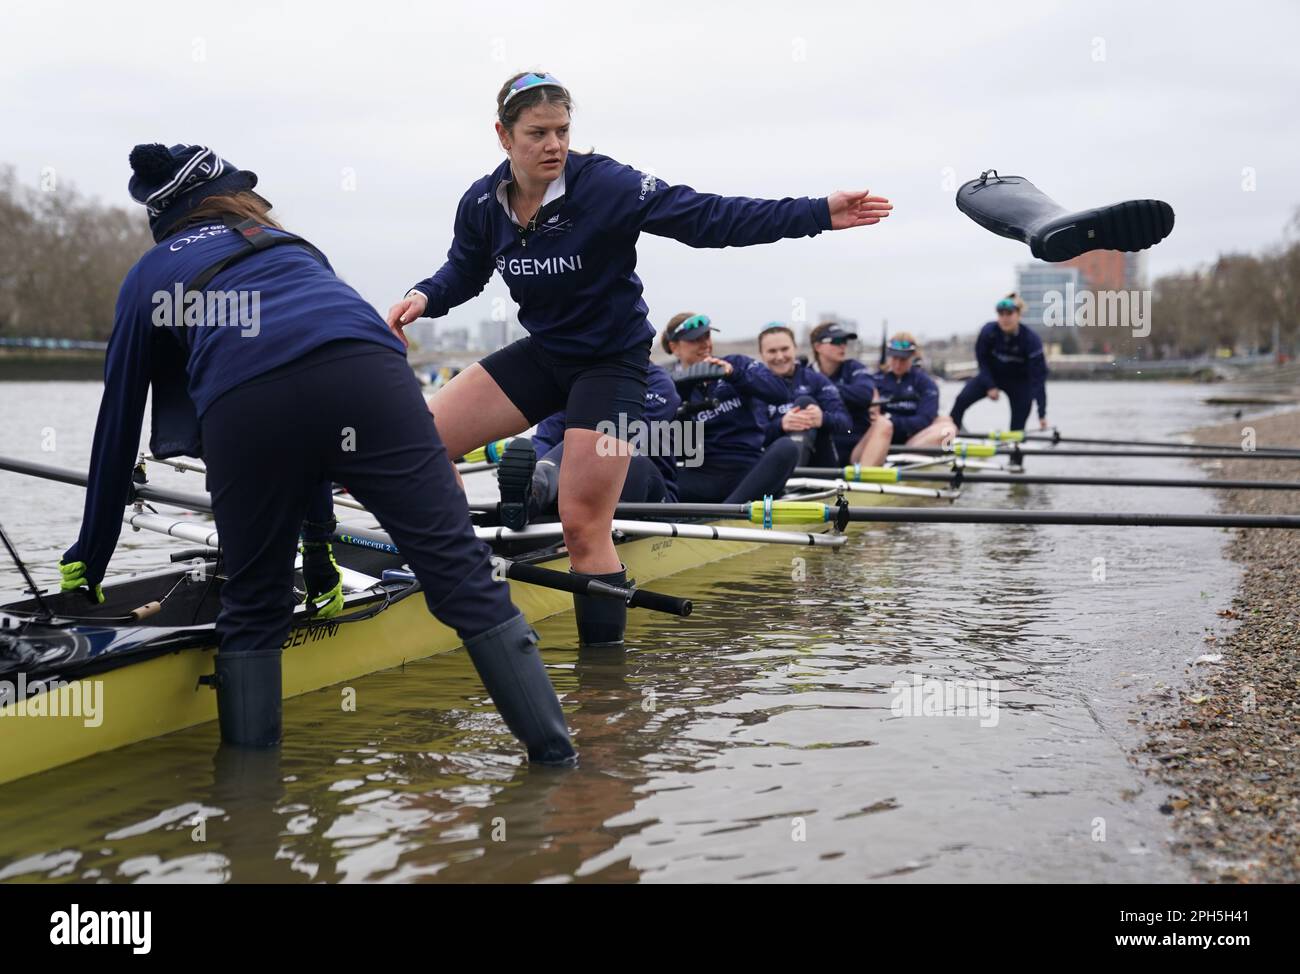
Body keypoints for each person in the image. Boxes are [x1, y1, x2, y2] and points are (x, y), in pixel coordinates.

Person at [59, 143, 575, 766]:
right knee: (465, 580)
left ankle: (250, 819)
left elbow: (117, 427)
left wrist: (89, 556)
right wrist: (321, 561)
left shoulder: (148, 274)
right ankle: (559, 766)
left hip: (246, 401)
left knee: (253, 608)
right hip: (370, 376)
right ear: (233, 198)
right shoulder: (297, 248)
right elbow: (316, 435)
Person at [385, 71, 892, 647]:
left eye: (563, 130)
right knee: (418, 443)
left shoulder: (608, 185)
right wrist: (424, 295)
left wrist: (818, 213)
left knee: (582, 523)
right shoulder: (481, 201)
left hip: (613, 364)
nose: (554, 145)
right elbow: (465, 269)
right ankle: (459, 575)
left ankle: (604, 694)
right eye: (538, 133)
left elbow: (711, 218)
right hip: (547, 354)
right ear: (503, 136)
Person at [664, 313, 800, 503]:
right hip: (701, 474)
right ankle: (731, 511)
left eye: (707, 337)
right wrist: (682, 391)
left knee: (788, 448)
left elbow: (781, 393)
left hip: (748, 472)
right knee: (647, 472)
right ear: (674, 347)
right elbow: (664, 440)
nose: (705, 344)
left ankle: (728, 513)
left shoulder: (736, 363)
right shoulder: (665, 381)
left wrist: (734, 375)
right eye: (695, 340)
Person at [948, 293, 1048, 432]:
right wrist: (990, 386)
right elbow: (982, 361)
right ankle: (952, 435)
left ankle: (1015, 448)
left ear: (1018, 315)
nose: (1005, 318)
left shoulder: (1031, 340)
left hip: (1019, 382)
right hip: (992, 375)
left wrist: (1042, 414)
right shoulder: (988, 331)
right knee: (961, 400)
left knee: (1018, 426)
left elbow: (1038, 378)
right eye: (1001, 314)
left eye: (1009, 314)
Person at [755, 323, 851, 466]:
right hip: (771, 466)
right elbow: (753, 437)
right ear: (762, 355)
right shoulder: (753, 386)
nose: (780, 356)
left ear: (795, 348)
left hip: (818, 465)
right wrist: (781, 424)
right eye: (772, 351)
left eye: (784, 349)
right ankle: (790, 476)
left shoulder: (816, 380)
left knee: (805, 403)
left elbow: (847, 426)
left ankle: (794, 475)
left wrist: (822, 419)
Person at [808, 321, 893, 465]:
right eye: (836, 341)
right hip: (821, 448)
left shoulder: (854, 367)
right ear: (817, 347)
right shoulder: (805, 373)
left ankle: (863, 483)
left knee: (884, 424)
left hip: (856, 448)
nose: (843, 346)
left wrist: (823, 391)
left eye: (844, 341)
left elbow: (864, 395)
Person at [872, 332, 957, 448]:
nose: (897, 364)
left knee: (947, 426)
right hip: (879, 436)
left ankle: (905, 456)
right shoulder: (874, 380)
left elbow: (924, 420)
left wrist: (889, 419)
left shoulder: (926, 383)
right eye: (894, 357)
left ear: (913, 356)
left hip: (913, 439)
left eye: (903, 359)